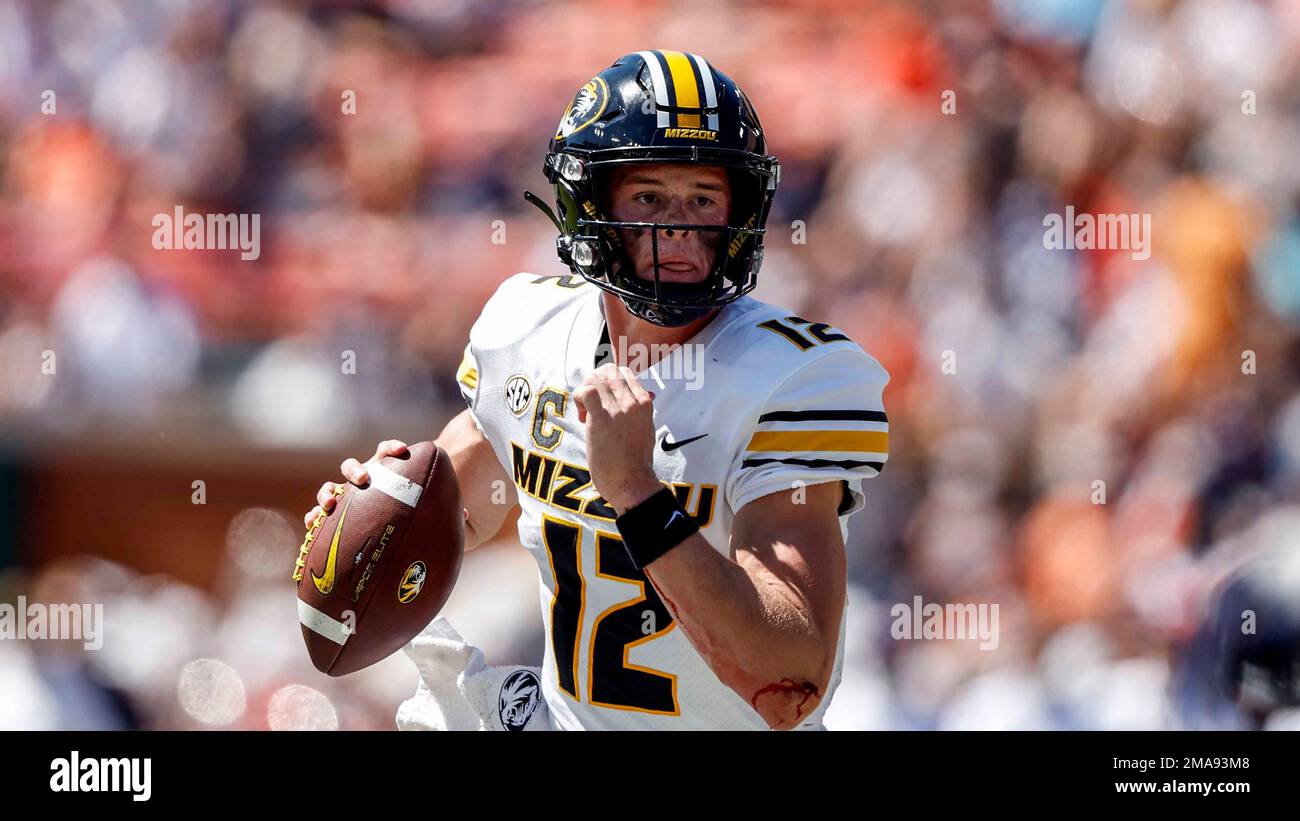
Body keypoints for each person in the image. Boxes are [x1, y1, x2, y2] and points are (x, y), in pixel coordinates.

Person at [304, 51, 890, 730]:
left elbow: (790, 674)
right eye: (648, 197)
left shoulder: (796, 377)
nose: (678, 225)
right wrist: (380, 510)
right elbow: (459, 508)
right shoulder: (530, 327)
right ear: (590, 203)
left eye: (703, 198)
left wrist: (638, 496)